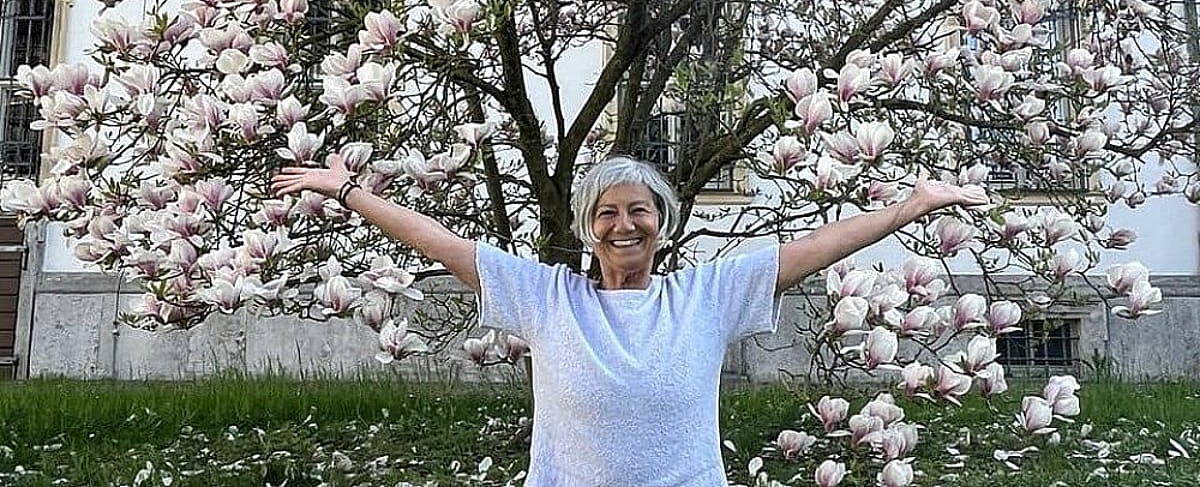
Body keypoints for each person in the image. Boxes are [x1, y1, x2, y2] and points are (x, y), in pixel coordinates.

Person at [271, 154, 988, 487]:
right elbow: (444, 244)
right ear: (588, 228)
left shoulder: (705, 295)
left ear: (662, 224)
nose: (624, 224)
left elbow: (811, 249)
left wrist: (914, 205)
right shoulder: (550, 297)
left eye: (638, 210)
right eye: (607, 212)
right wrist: (351, 192)